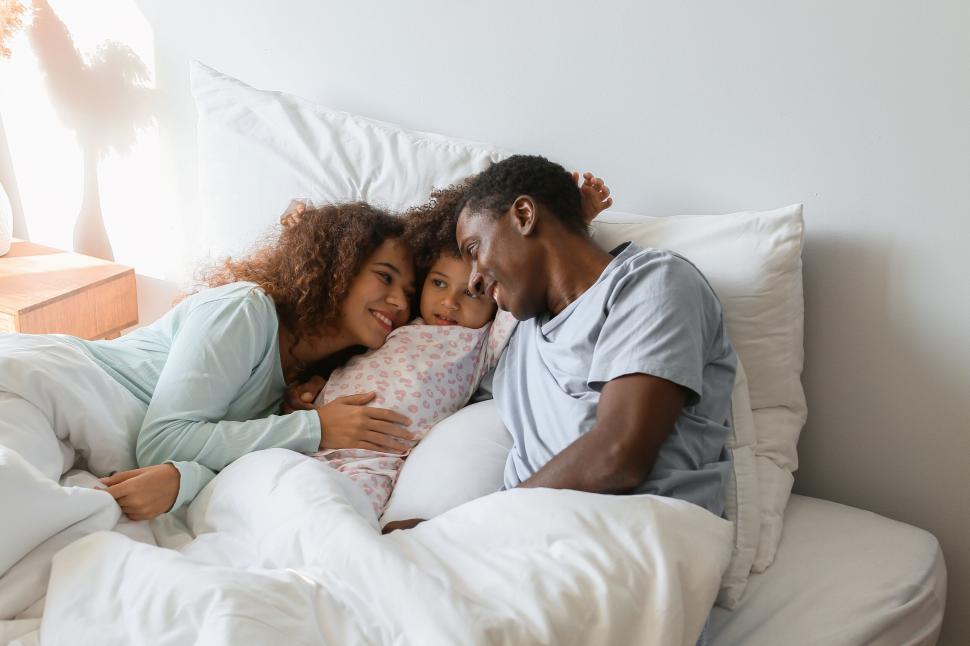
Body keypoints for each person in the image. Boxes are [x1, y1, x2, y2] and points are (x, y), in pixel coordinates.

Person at [388, 155, 736, 541]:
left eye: (473, 249)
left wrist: (455, 534)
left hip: (627, 542)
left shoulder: (652, 282)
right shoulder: (516, 337)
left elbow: (618, 456)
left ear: (523, 214)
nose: (472, 281)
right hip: (521, 544)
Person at [0, 203, 419, 522]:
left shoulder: (300, 380)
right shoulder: (246, 310)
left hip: (86, 448)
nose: (400, 303)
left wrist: (184, 479)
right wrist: (316, 428)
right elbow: (163, 441)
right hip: (53, 387)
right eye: (385, 277)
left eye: (409, 292)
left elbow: (212, 446)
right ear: (337, 268)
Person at [289, 175, 613, 517]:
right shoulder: (398, 320)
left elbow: (537, 271)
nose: (450, 302)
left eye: (472, 292)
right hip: (319, 428)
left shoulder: (483, 340)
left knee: (341, 517)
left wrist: (578, 221)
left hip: (373, 459)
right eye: (438, 283)